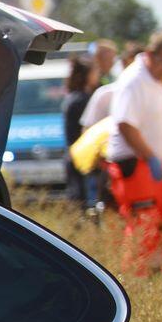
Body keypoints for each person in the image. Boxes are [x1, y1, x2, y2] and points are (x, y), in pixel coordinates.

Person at [103, 32, 162, 272]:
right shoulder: (134, 80)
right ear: (151, 55)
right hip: (138, 163)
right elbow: (125, 124)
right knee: (145, 223)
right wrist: (150, 156)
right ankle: (135, 277)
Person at [61, 57, 101, 210]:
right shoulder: (82, 100)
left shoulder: (73, 97)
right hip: (83, 158)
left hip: (74, 156)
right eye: (95, 72)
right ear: (87, 75)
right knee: (84, 204)